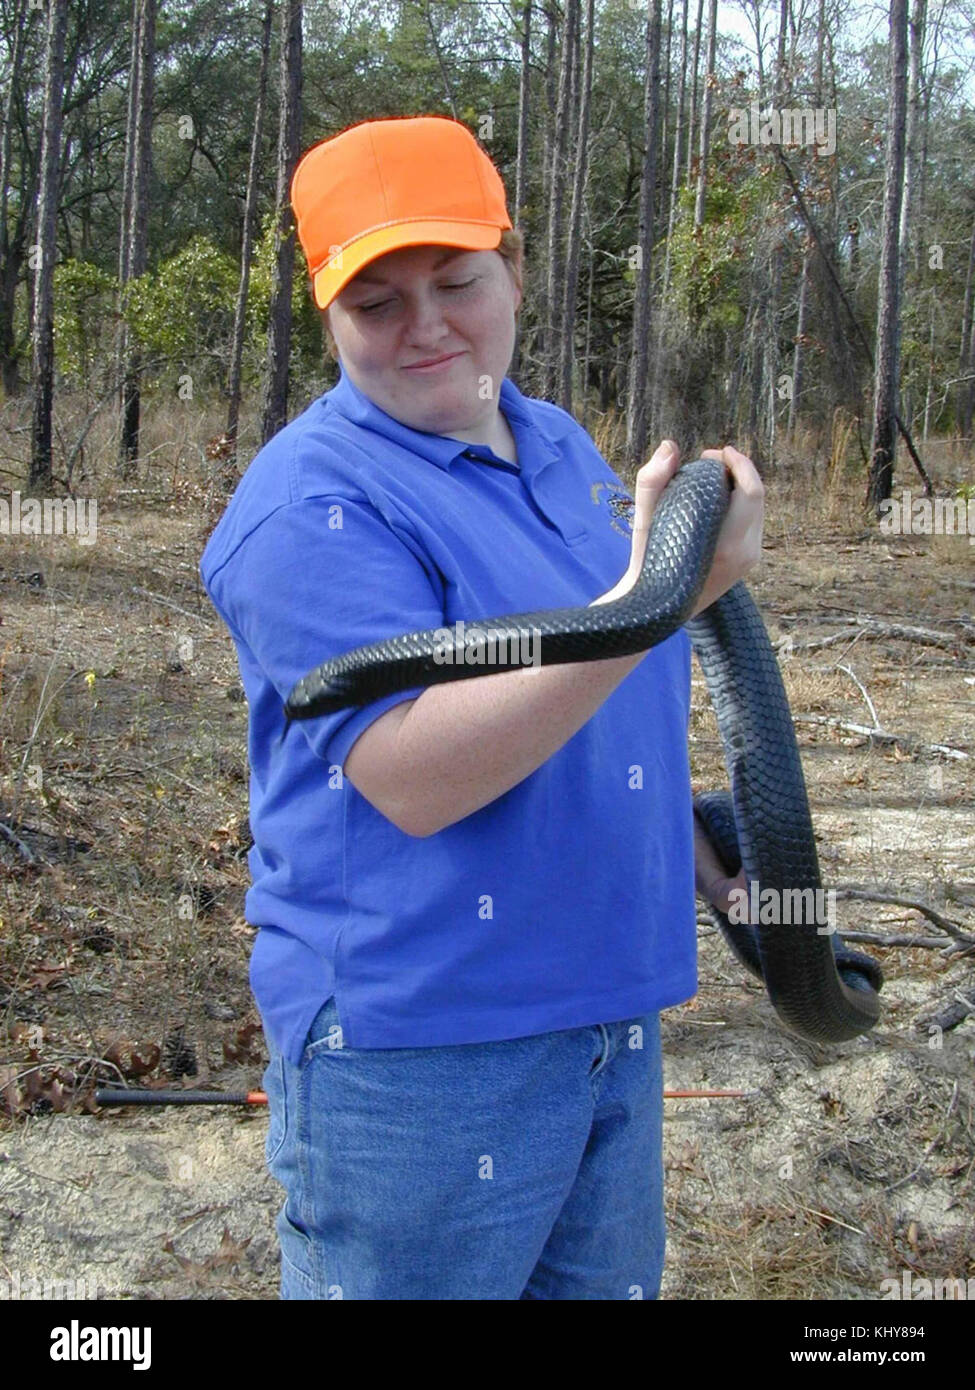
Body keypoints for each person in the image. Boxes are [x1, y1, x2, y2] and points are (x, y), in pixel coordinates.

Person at [199, 114, 764, 1301]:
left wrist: (719, 871)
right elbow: (416, 774)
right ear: (326, 315)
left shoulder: (554, 441)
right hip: (422, 1051)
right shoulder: (309, 506)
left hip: (608, 1008)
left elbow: (599, 709)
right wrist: (652, 598)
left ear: (515, 268)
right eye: (377, 303)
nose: (428, 328)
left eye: (457, 280)